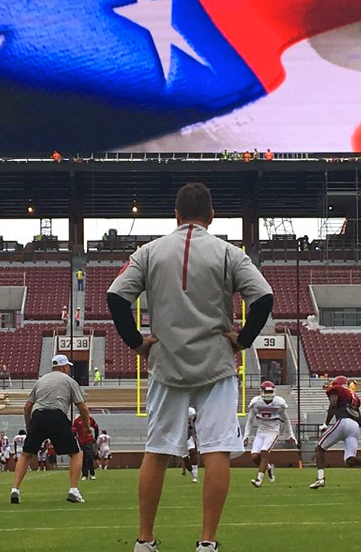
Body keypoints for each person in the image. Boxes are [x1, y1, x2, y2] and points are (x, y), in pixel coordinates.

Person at [107, 182, 274, 552]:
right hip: (216, 363)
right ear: (211, 215)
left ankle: (145, 540)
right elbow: (263, 297)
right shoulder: (229, 253)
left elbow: (116, 297)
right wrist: (243, 340)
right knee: (216, 450)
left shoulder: (148, 253)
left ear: (176, 215)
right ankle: (207, 542)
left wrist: (136, 343)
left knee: (158, 449)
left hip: (165, 363)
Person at [10, 354, 91, 505]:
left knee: (26, 454)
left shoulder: (41, 381)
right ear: (64, 367)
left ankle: (15, 489)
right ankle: (73, 490)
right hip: (56, 415)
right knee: (76, 453)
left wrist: (29, 426)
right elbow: (82, 407)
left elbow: (27, 406)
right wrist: (87, 426)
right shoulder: (69, 381)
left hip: (38, 415)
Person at [310, 376, 361, 489]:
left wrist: (325, 424)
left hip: (344, 422)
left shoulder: (337, 389)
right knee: (349, 460)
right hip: (355, 426)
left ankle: (320, 479)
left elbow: (333, 405)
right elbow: (360, 420)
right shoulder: (354, 397)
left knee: (319, 448)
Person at [244, 381, 295, 488]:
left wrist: (291, 435)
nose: (268, 394)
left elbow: (286, 420)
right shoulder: (256, 403)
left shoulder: (279, 403)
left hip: (273, 431)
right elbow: (250, 421)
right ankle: (268, 467)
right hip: (260, 431)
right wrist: (246, 436)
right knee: (254, 457)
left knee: (264, 452)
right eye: (266, 392)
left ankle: (259, 479)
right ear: (261, 392)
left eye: (270, 392)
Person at [74, 413, 100, 480]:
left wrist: (95, 438)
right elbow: (74, 430)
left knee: (90, 457)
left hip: (89, 441)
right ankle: (84, 474)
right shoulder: (77, 421)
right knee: (83, 458)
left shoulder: (90, 419)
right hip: (81, 442)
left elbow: (96, 427)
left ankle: (92, 474)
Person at [181, 407, 200, 483]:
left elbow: (194, 423)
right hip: (180, 438)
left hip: (189, 436)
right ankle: (192, 473)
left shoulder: (191, 411)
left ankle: (195, 475)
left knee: (193, 452)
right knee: (185, 459)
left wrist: (195, 433)